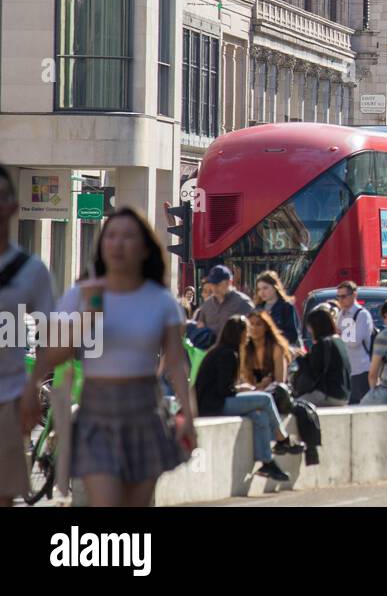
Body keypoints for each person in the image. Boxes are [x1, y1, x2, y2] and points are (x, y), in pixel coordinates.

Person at [21, 208, 196, 507]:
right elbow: (54, 350)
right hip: (96, 411)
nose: (118, 244)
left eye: (128, 236)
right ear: (101, 245)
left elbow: (177, 363)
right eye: (111, 236)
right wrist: (87, 318)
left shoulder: (160, 300)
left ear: (144, 249)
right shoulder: (82, 294)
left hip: (144, 410)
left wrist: (189, 416)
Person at [0, 163, 56, 507]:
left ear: (14, 206)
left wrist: (34, 386)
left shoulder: (32, 271)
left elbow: (51, 334)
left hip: (8, 397)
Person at [193, 315, 297, 481]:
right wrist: (242, 388)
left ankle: (267, 462)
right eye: (246, 330)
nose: (248, 334)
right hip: (213, 405)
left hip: (213, 403)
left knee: (260, 416)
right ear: (239, 334)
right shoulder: (227, 354)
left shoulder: (221, 351)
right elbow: (223, 390)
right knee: (265, 399)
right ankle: (282, 439)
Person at [293, 307, 351, 407]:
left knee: (293, 405)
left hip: (328, 394)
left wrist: (300, 358)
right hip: (344, 395)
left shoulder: (322, 344)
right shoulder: (339, 341)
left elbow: (313, 371)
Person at [335, 281, 374, 404]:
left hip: (361, 370)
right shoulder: (341, 314)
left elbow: (354, 342)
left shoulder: (361, 314)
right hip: (347, 371)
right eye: (338, 297)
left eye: (343, 296)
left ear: (354, 295)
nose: (340, 300)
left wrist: (340, 334)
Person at [195, 264, 253, 338]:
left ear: (229, 282)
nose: (215, 288)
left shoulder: (243, 302)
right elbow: (200, 328)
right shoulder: (207, 305)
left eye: (218, 284)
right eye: (212, 284)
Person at [241, 310, 292, 392]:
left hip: (274, 393)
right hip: (252, 392)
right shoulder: (244, 348)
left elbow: (280, 381)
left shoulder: (276, 348)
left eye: (259, 324)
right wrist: (260, 386)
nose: (254, 328)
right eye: (251, 324)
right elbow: (243, 381)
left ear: (266, 327)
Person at [253, 270, 301, 353]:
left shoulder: (286, 306)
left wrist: (272, 338)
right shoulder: (257, 308)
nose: (261, 292)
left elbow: (293, 334)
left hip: (283, 353)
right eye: (259, 289)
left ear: (275, 287)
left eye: (265, 288)